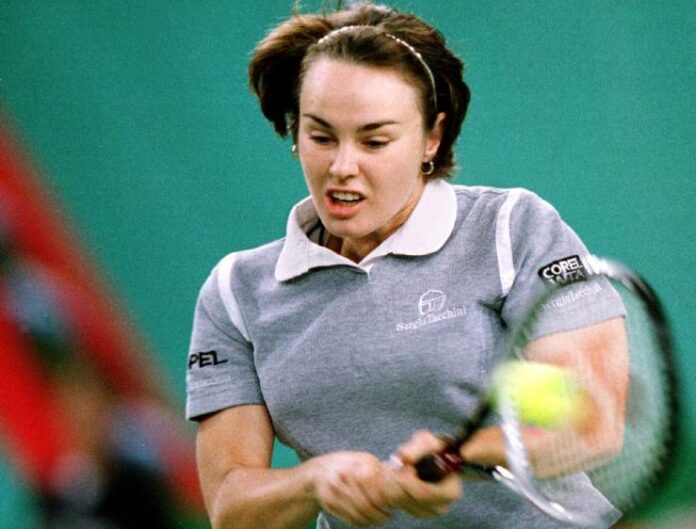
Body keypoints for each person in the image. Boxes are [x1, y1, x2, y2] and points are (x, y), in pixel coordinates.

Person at [186, 3, 627, 528]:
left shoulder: (512, 228)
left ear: (431, 138)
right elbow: (231, 508)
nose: (342, 166)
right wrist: (315, 480)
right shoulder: (236, 292)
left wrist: (459, 455)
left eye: (375, 141)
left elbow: (592, 426)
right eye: (321, 137)